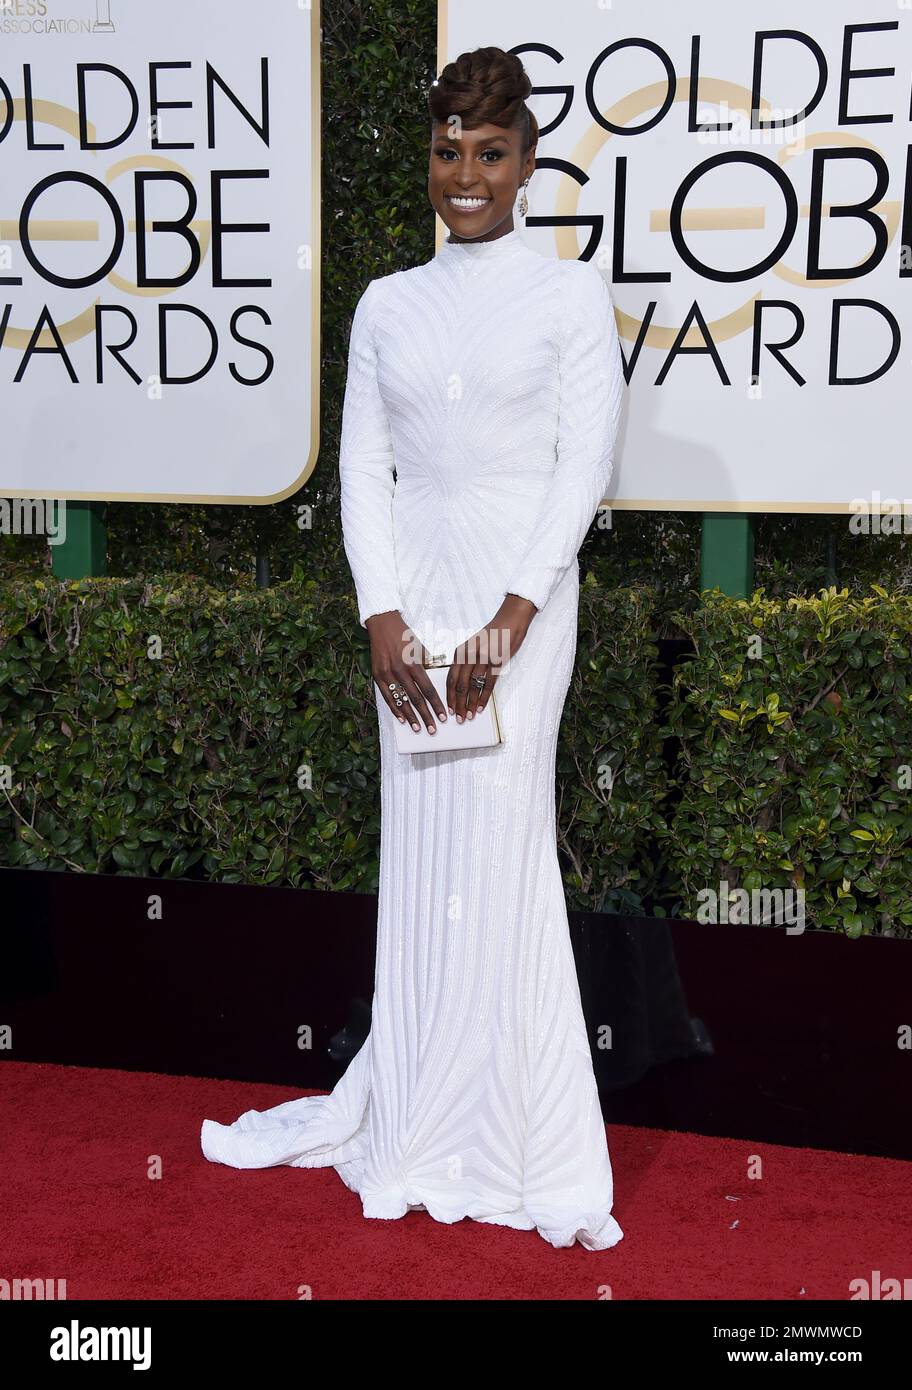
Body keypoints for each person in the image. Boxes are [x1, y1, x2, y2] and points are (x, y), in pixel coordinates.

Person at [201, 45, 626, 1252]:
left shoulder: (567, 296)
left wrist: (515, 613)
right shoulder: (387, 300)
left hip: (519, 613)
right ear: (430, 159)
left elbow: (581, 470)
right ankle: (420, 1109)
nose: (466, 175)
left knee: (498, 845)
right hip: (415, 611)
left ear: (528, 163)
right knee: (426, 849)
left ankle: (511, 1132)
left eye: (490, 153)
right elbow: (359, 470)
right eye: (449, 152)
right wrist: (380, 615)